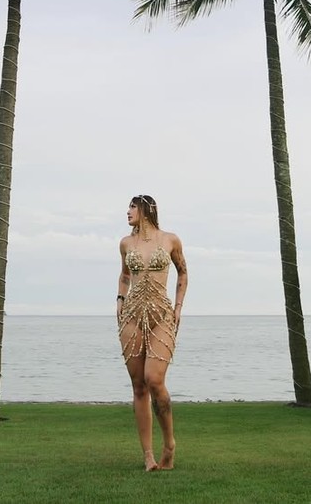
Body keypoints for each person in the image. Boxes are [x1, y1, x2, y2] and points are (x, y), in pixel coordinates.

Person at [117, 194, 188, 471]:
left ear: (145, 210)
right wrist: (119, 299)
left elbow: (183, 273)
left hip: (162, 315)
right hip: (132, 317)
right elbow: (124, 276)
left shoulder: (170, 240)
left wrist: (179, 307)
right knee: (138, 386)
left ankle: (169, 443)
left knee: (154, 380)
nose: (128, 212)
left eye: (132, 207)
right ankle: (148, 456)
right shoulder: (125, 243)